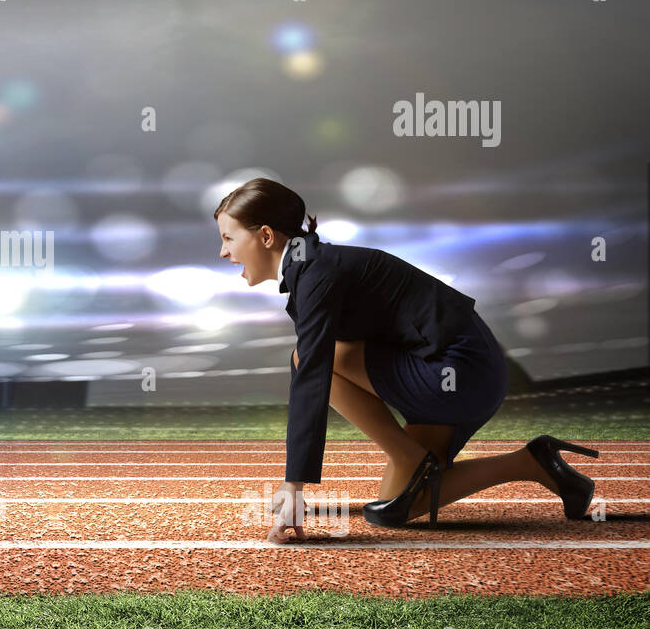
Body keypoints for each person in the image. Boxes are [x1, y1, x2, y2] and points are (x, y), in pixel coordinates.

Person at [213, 178, 600, 543]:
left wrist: (294, 484)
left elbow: (313, 371)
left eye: (229, 237)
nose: (224, 251)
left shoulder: (317, 273)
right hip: (462, 372)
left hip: (460, 370)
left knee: (305, 359)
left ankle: (410, 455)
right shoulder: (311, 269)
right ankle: (533, 462)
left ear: (265, 236)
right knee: (402, 504)